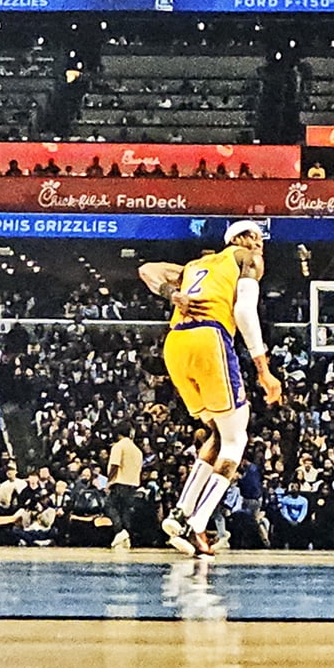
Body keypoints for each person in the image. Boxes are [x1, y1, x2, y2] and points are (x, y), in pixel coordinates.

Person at [138, 220, 284, 556]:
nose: (259, 244)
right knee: (237, 439)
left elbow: (147, 270)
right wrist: (264, 370)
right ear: (239, 240)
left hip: (176, 345)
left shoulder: (194, 266)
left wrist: (171, 294)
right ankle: (198, 523)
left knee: (219, 436)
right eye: (255, 237)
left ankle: (180, 513)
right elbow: (245, 312)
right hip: (209, 339)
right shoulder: (246, 258)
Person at [105, 432, 143, 552]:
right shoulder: (138, 451)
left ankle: (119, 531)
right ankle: (126, 536)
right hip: (132, 484)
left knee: (109, 506)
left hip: (119, 482)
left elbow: (115, 465)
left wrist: (109, 481)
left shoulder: (119, 446)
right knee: (125, 511)